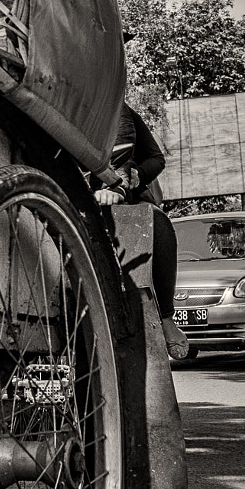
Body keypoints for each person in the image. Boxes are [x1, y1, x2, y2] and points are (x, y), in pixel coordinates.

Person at [96, 104, 190, 359]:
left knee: (157, 222)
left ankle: (166, 316)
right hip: (79, 190)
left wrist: (135, 176)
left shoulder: (118, 109)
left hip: (126, 194)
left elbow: (155, 158)